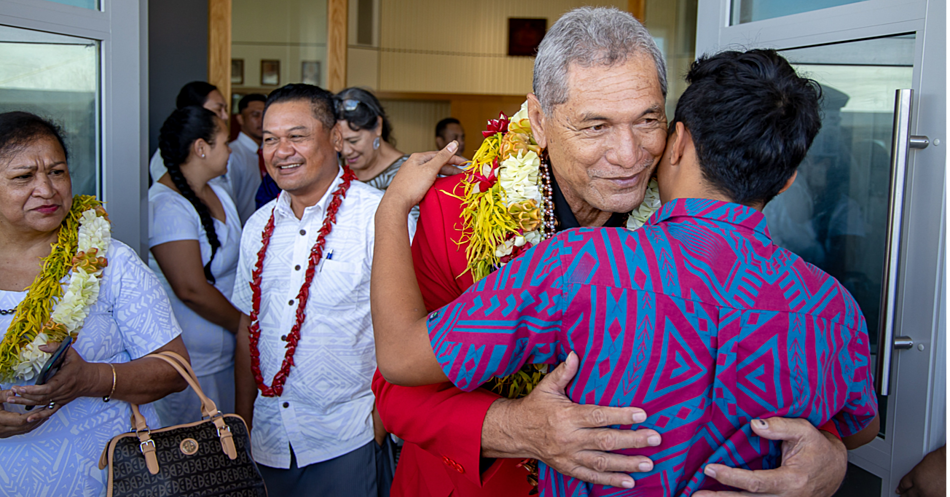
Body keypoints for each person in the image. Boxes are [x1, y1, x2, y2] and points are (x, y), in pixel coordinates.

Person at [371, 7, 851, 497]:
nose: (628, 155)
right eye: (595, 126)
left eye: (647, 120)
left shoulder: (701, 210)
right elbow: (396, 385)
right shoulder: (457, 212)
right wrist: (517, 428)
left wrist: (828, 453)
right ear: (539, 121)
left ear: (676, 130)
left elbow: (767, 355)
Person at [232, 84, 418, 496]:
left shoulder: (380, 217)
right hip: (268, 441)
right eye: (269, 139)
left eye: (296, 136)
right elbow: (249, 326)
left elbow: (418, 325)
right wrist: (242, 420)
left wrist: (382, 420)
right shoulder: (257, 227)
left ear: (335, 138)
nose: (282, 151)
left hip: (349, 437)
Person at [0, 111, 189, 495]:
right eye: (23, 177)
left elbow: (175, 370)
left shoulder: (109, 260)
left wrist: (91, 379)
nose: (48, 190)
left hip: (103, 478)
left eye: (57, 171)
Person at [149, 106, 243, 427]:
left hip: (226, 355)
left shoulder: (217, 192)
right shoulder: (166, 206)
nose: (231, 150)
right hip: (194, 362)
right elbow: (190, 288)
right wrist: (242, 325)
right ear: (201, 148)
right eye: (225, 142)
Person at [149, 81, 230, 183]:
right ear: (195, 112)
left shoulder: (220, 152)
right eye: (218, 109)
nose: (225, 116)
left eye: (225, 109)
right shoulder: (168, 157)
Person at [336, 87, 411, 193]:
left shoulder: (409, 174)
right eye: (338, 142)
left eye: (353, 141)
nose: (345, 151)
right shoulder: (338, 169)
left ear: (378, 126)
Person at [228, 93, 267, 224]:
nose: (262, 120)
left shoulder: (272, 152)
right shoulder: (232, 154)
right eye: (255, 115)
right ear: (240, 119)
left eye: (265, 115)